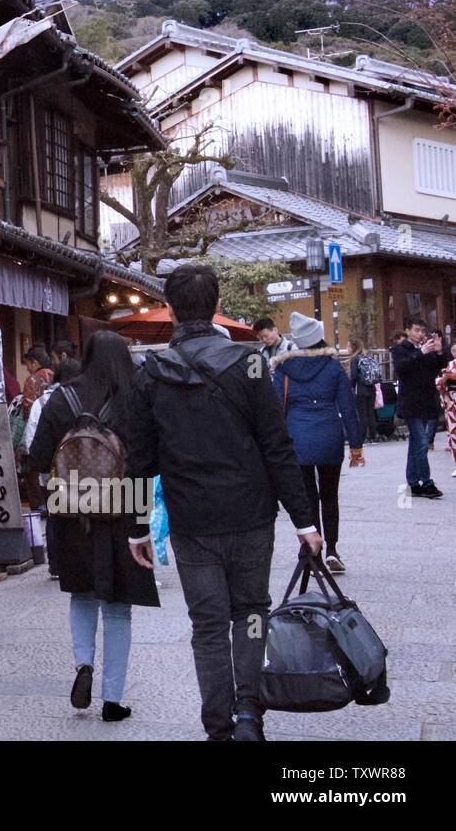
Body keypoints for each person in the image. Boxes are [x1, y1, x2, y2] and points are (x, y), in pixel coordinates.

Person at [124, 263, 321, 742]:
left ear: (170, 308)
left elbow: (138, 456)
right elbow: (277, 446)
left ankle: (218, 725)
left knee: (208, 624)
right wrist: (305, 522)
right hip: (252, 515)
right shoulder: (250, 365)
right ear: (215, 307)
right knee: (250, 612)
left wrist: (137, 527)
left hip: (193, 521)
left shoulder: (151, 374)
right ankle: (250, 714)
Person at [28, 332, 159, 723]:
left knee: (82, 595)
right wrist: (142, 528)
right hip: (121, 515)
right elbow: (144, 466)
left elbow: (36, 459)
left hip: (71, 513)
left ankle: (83, 665)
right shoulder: (134, 399)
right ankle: (113, 698)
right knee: (117, 609)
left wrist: (59, 490)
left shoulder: (62, 397)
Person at [271, 313, 364, 574]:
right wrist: (356, 446)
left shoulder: (284, 368)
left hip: (298, 438)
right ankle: (333, 549)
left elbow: (277, 408)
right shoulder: (333, 367)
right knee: (330, 495)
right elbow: (348, 408)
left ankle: (315, 551)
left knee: (309, 497)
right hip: (329, 436)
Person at [23, 358, 82, 580]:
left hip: (56, 469)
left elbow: (32, 437)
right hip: (90, 467)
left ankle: (57, 564)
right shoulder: (92, 395)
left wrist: (39, 466)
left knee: (56, 515)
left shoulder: (45, 401)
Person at [391, 316, 445, 499]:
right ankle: (426, 482)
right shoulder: (400, 349)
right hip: (411, 402)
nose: (420, 334)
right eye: (416, 330)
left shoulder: (427, 348)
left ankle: (413, 482)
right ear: (407, 331)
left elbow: (437, 368)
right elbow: (401, 368)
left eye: (422, 331)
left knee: (416, 444)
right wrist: (420, 353)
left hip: (428, 400)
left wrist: (438, 352)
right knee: (422, 443)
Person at [348, 339, 381, 444]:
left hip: (360, 389)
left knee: (362, 414)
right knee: (371, 413)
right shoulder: (367, 358)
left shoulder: (355, 360)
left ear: (353, 348)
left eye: (348, 346)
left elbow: (353, 376)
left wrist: (351, 386)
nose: (347, 349)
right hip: (371, 388)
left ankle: (363, 437)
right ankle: (373, 436)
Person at [435, 342, 456, 479]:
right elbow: (440, 380)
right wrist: (442, 380)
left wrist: (451, 376)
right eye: (454, 351)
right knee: (454, 434)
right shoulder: (450, 365)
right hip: (452, 401)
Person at [21, 345, 54, 417]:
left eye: (27, 364)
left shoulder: (31, 380)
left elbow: (27, 406)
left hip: (36, 420)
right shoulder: (53, 375)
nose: (27, 368)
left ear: (35, 363)